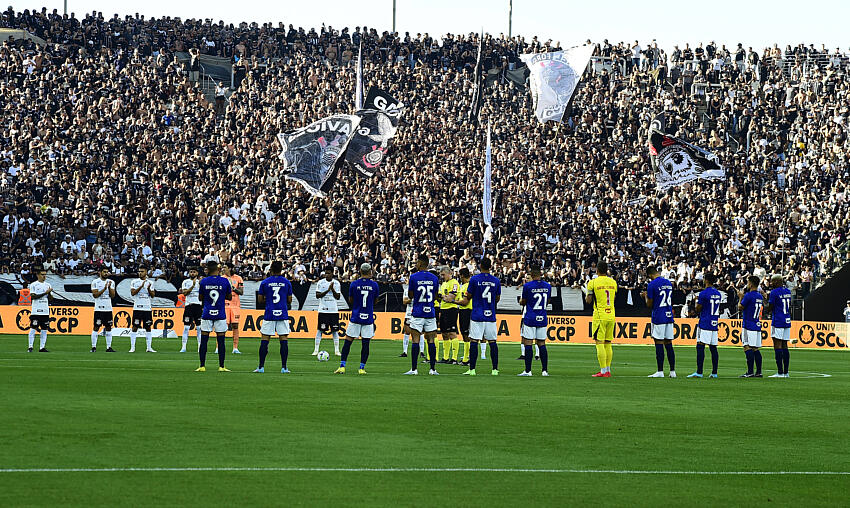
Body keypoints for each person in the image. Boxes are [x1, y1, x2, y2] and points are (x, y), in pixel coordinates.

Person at [335, 263, 379, 375]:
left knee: (348, 342)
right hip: (368, 318)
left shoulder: (354, 284)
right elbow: (375, 301)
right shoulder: (374, 285)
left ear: (360, 271)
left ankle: (342, 366)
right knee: (365, 344)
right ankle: (361, 368)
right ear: (370, 272)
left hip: (355, 317)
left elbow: (351, 300)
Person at [464, 256, 502, 376]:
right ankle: (495, 369)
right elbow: (497, 298)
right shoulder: (496, 280)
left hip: (477, 315)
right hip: (490, 315)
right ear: (490, 266)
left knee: (474, 341)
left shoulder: (474, 279)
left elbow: (468, 296)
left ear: (480, 266)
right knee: (492, 342)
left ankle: (472, 370)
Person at [253, 260, 293, 374]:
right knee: (283, 341)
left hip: (269, 314)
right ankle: (284, 368)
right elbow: (289, 300)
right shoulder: (286, 282)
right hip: (283, 314)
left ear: (271, 269)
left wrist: (268, 299)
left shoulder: (265, 282)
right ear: (281, 269)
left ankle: (261, 367)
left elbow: (260, 300)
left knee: (265, 340)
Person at [403, 254, 440, 375]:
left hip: (418, 312)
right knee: (431, 340)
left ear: (420, 263)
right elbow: (435, 296)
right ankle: (432, 369)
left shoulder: (414, 277)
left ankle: (414, 369)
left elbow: (411, 295)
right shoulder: (434, 278)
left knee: (415, 340)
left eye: (417, 263)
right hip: (430, 312)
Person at [196, 261, 232, 372]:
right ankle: (221, 366)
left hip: (207, 313)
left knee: (204, 340)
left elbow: (200, 298)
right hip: (220, 313)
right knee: (221, 340)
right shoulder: (225, 281)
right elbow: (229, 297)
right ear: (217, 269)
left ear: (208, 270)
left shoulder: (203, 281)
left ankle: (202, 366)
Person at [518, 263, 551, 376]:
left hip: (530, 317)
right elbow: (547, 301)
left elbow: (524, 301)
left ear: (532, 274)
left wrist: (521, 302)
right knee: (541, 343)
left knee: (528, 342)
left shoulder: (527, 286)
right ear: (541, 274)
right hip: (542, 317)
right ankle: (544, 371)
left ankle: (528, 371)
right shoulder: (548, 286)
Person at [644, 265, 676, 378]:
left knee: (658, 342)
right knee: (669, 343)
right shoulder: (668, 283)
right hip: (669, 315)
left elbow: (649, 304)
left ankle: (660, 371)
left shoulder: (651, 284)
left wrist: (645, 296)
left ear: (650, 275)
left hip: (658, 316)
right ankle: (672, 371)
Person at [587, 261, 617, 377]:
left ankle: (603, 371)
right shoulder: (613, 282)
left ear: (597, 270)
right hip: (611, 315)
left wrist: (587, 292)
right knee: (608, 343)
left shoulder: (593, 283)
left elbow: (588, 301)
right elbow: (614, 296)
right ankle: (608, 370)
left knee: (599, 343)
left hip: (600, 316)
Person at [688, 273, 722, 378]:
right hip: (714, 323)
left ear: (706, 280)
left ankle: (699, 372)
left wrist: (695, 302)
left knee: (700, 346)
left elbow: (698, 309)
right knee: (713, 348)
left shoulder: (703, 293)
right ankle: (714, 373)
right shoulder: (718, 293)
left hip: (705, 322)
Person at [765, 275, 792, 378]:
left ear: (777, 281)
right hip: (787, 319)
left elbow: (770, 307)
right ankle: (786, 372)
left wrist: (765, 302)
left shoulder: (774, 292)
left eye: (772, 281)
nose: (771, 283)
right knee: (785, 345)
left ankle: (780, 372)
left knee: (777, 345)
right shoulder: (788, 291)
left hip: (778, 320)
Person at [738, 275, 764, 378]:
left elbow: (740, 307)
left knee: (747, 346)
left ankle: (749, 372)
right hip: (757, 324)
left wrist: (740, 297)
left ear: (751, 284)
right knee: (755, 348)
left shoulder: (748, 295)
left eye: (748, 282)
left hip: (748, 324)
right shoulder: (759, 296)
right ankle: (759, 371)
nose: (747, 284)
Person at [314, 267, 342, 357]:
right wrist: (327, 290)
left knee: (335, 331)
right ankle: (316, 350)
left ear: (332, 273)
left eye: (329, 273)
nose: (327, 275)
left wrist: (332, 289)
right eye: (326, 273)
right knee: (320, 330)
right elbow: (317, 296)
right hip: (323, 310)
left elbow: (338, 297)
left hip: (333, 311)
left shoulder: (336, 283)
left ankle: (337, 350)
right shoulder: (320, 282)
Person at [129, 266, 156, 353]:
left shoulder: (150, 282)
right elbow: (133, 293)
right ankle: (132, 347)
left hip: (147, 308)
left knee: (148, 327)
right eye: (139, 271)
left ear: (146, 272)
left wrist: (148, 289)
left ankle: (149, 347)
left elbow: (152, 295)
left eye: (142, 271)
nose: (140, 273)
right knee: (135, 326)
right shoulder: (134, 282)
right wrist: (141, 286)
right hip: (137, 307)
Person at [437, 266, 460, 364]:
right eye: (441, 275)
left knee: (452, 333)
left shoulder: (454, 283)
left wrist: (441, 296)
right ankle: (445, 358)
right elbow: (443, 298)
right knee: (444, 334)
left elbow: (450, 298)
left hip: (451, 309)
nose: (442, 277)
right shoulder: (443, 284)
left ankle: (454, 358)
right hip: (443, 309)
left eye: (443, 275)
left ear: (449, 273)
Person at [90, 267, 116, 353]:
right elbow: (95, 295)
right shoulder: (95, 282)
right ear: (100, 272)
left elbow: (112, 296)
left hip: (108, 309)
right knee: (96, 327)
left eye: (107, 272)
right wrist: (104, 289)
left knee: (108, 327)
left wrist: (108, 288)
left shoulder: (111, 282)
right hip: (99, 309)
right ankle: (93, 347)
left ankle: (109, 347)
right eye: (104, 272)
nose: (106, 273)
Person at [27, 268, 51, 353]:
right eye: (42, 274)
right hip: (36, 311)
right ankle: (30, 347)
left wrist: (50, 293)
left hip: (45, 311)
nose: (44, 276)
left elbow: (51, 299)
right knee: (33, 328)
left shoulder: (48, 285)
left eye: (45, 274)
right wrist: (45, 293)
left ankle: (42, 347)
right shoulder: (34, 285)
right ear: (38, 275)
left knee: (44, 329)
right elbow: (33, 297)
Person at [222, 263, 243, 354]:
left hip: (235, 306)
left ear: (230, 268)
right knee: (223, 327)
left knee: (235, 326)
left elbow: (241, 292)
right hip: (224, 305)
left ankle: (235, 348)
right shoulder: (222, 278)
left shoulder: (238, 278)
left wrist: (233, 288)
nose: (223, 269)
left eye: (225, 267)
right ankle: (219, 347)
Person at [180, 267, 202, 353]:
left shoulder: (200, 282)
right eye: (191, 272)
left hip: (198, 306)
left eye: (194, 272)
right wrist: (192, 286)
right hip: (189, 306)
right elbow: (184, 293)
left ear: (197, 273)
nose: (192, 273)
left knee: (199, 328)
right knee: (186, 327)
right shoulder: (185, 282)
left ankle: (200, 347)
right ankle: (183, 347)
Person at [456, 267, 473, 365]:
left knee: (466, 335)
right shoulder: (463, 286)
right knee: (464, 334)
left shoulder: (468, 286)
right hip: (463, 311)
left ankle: (467, 358)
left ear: (462, 275)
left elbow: (465, 302)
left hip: (467, 311)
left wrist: (453, 301)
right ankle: (467, 356)